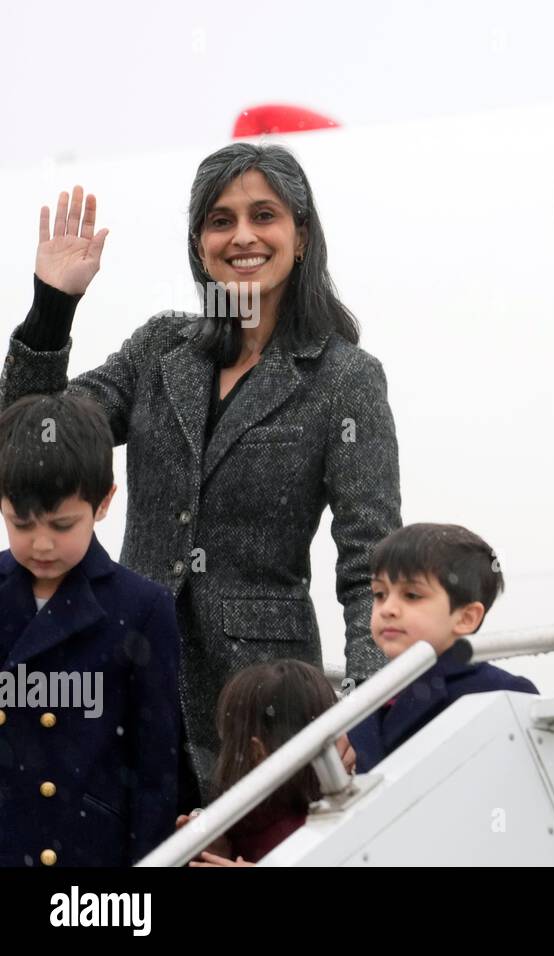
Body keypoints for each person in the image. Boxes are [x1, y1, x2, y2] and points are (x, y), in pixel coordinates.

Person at [0, 143, 403, 803]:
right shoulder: (161, 348)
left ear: (300, 236)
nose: (242, 235)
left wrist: (365, 704)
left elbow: (370, 563)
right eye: (220, 220)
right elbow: (32, 445)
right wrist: (52, 309)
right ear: (199, 244)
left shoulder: (345, 379)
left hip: (267, 712)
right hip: (129, 678)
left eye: (263, 215)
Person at [0, 393, 180, 866]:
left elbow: (155, 769)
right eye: (21, 523)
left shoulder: (143, 607)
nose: (41, 544)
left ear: (103, 503)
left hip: (83, 858)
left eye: (62, 525)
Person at [351, 523, 537, 773]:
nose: (388, 609)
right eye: (380, 594)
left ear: (466, 618)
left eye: (412, 595)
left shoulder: (500, 695)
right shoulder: (362, 703)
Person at [180, 659, 339, 866]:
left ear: (257, 753)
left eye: (227, 741)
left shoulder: (285, 835)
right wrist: (219, 851)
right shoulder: (335, 823)